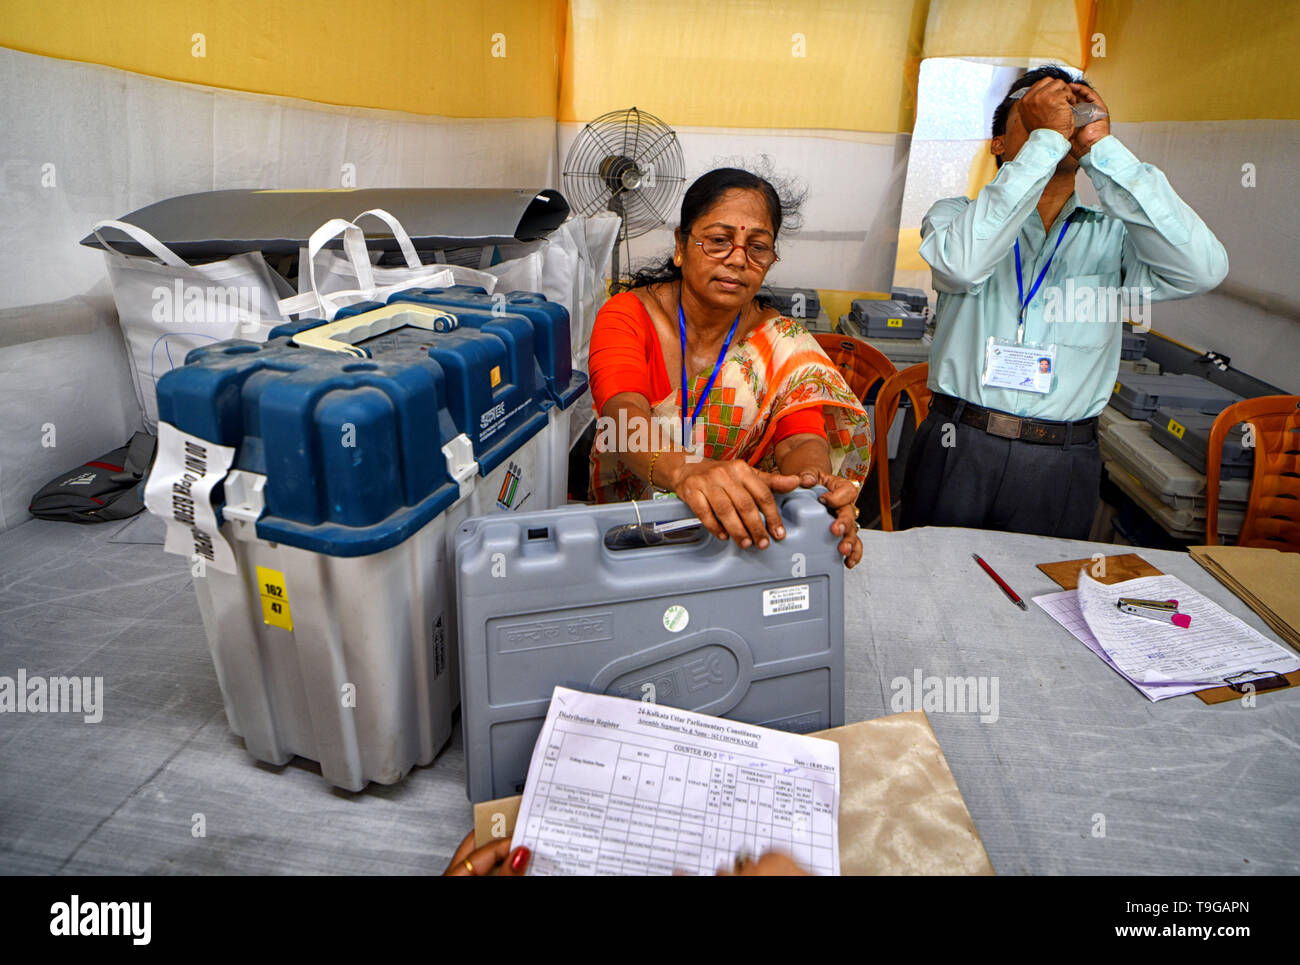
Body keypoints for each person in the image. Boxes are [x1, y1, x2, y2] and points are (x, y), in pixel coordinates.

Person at [901, 66, 1228, 538]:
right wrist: (1045, 144)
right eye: (1034, 112)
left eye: (1068, 114)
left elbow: (1202, 269)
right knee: (930, 592)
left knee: (1038, 603)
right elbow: (961, 266)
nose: (1059, 121)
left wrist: (1101, 148)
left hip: (1061, 459)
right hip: (959, 444)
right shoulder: (957, 216)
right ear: (998, 144)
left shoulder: (1113, 235)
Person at [588, 168, 872, 568]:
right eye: (719, 241)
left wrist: (813, 491)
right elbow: (622, 418)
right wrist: (686, 471)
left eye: (757, 247)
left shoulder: (779, 342)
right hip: (627, 541)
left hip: (734, 543)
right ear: (681, 245)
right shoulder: (628, 316)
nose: (738, 259)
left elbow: (798, 441)